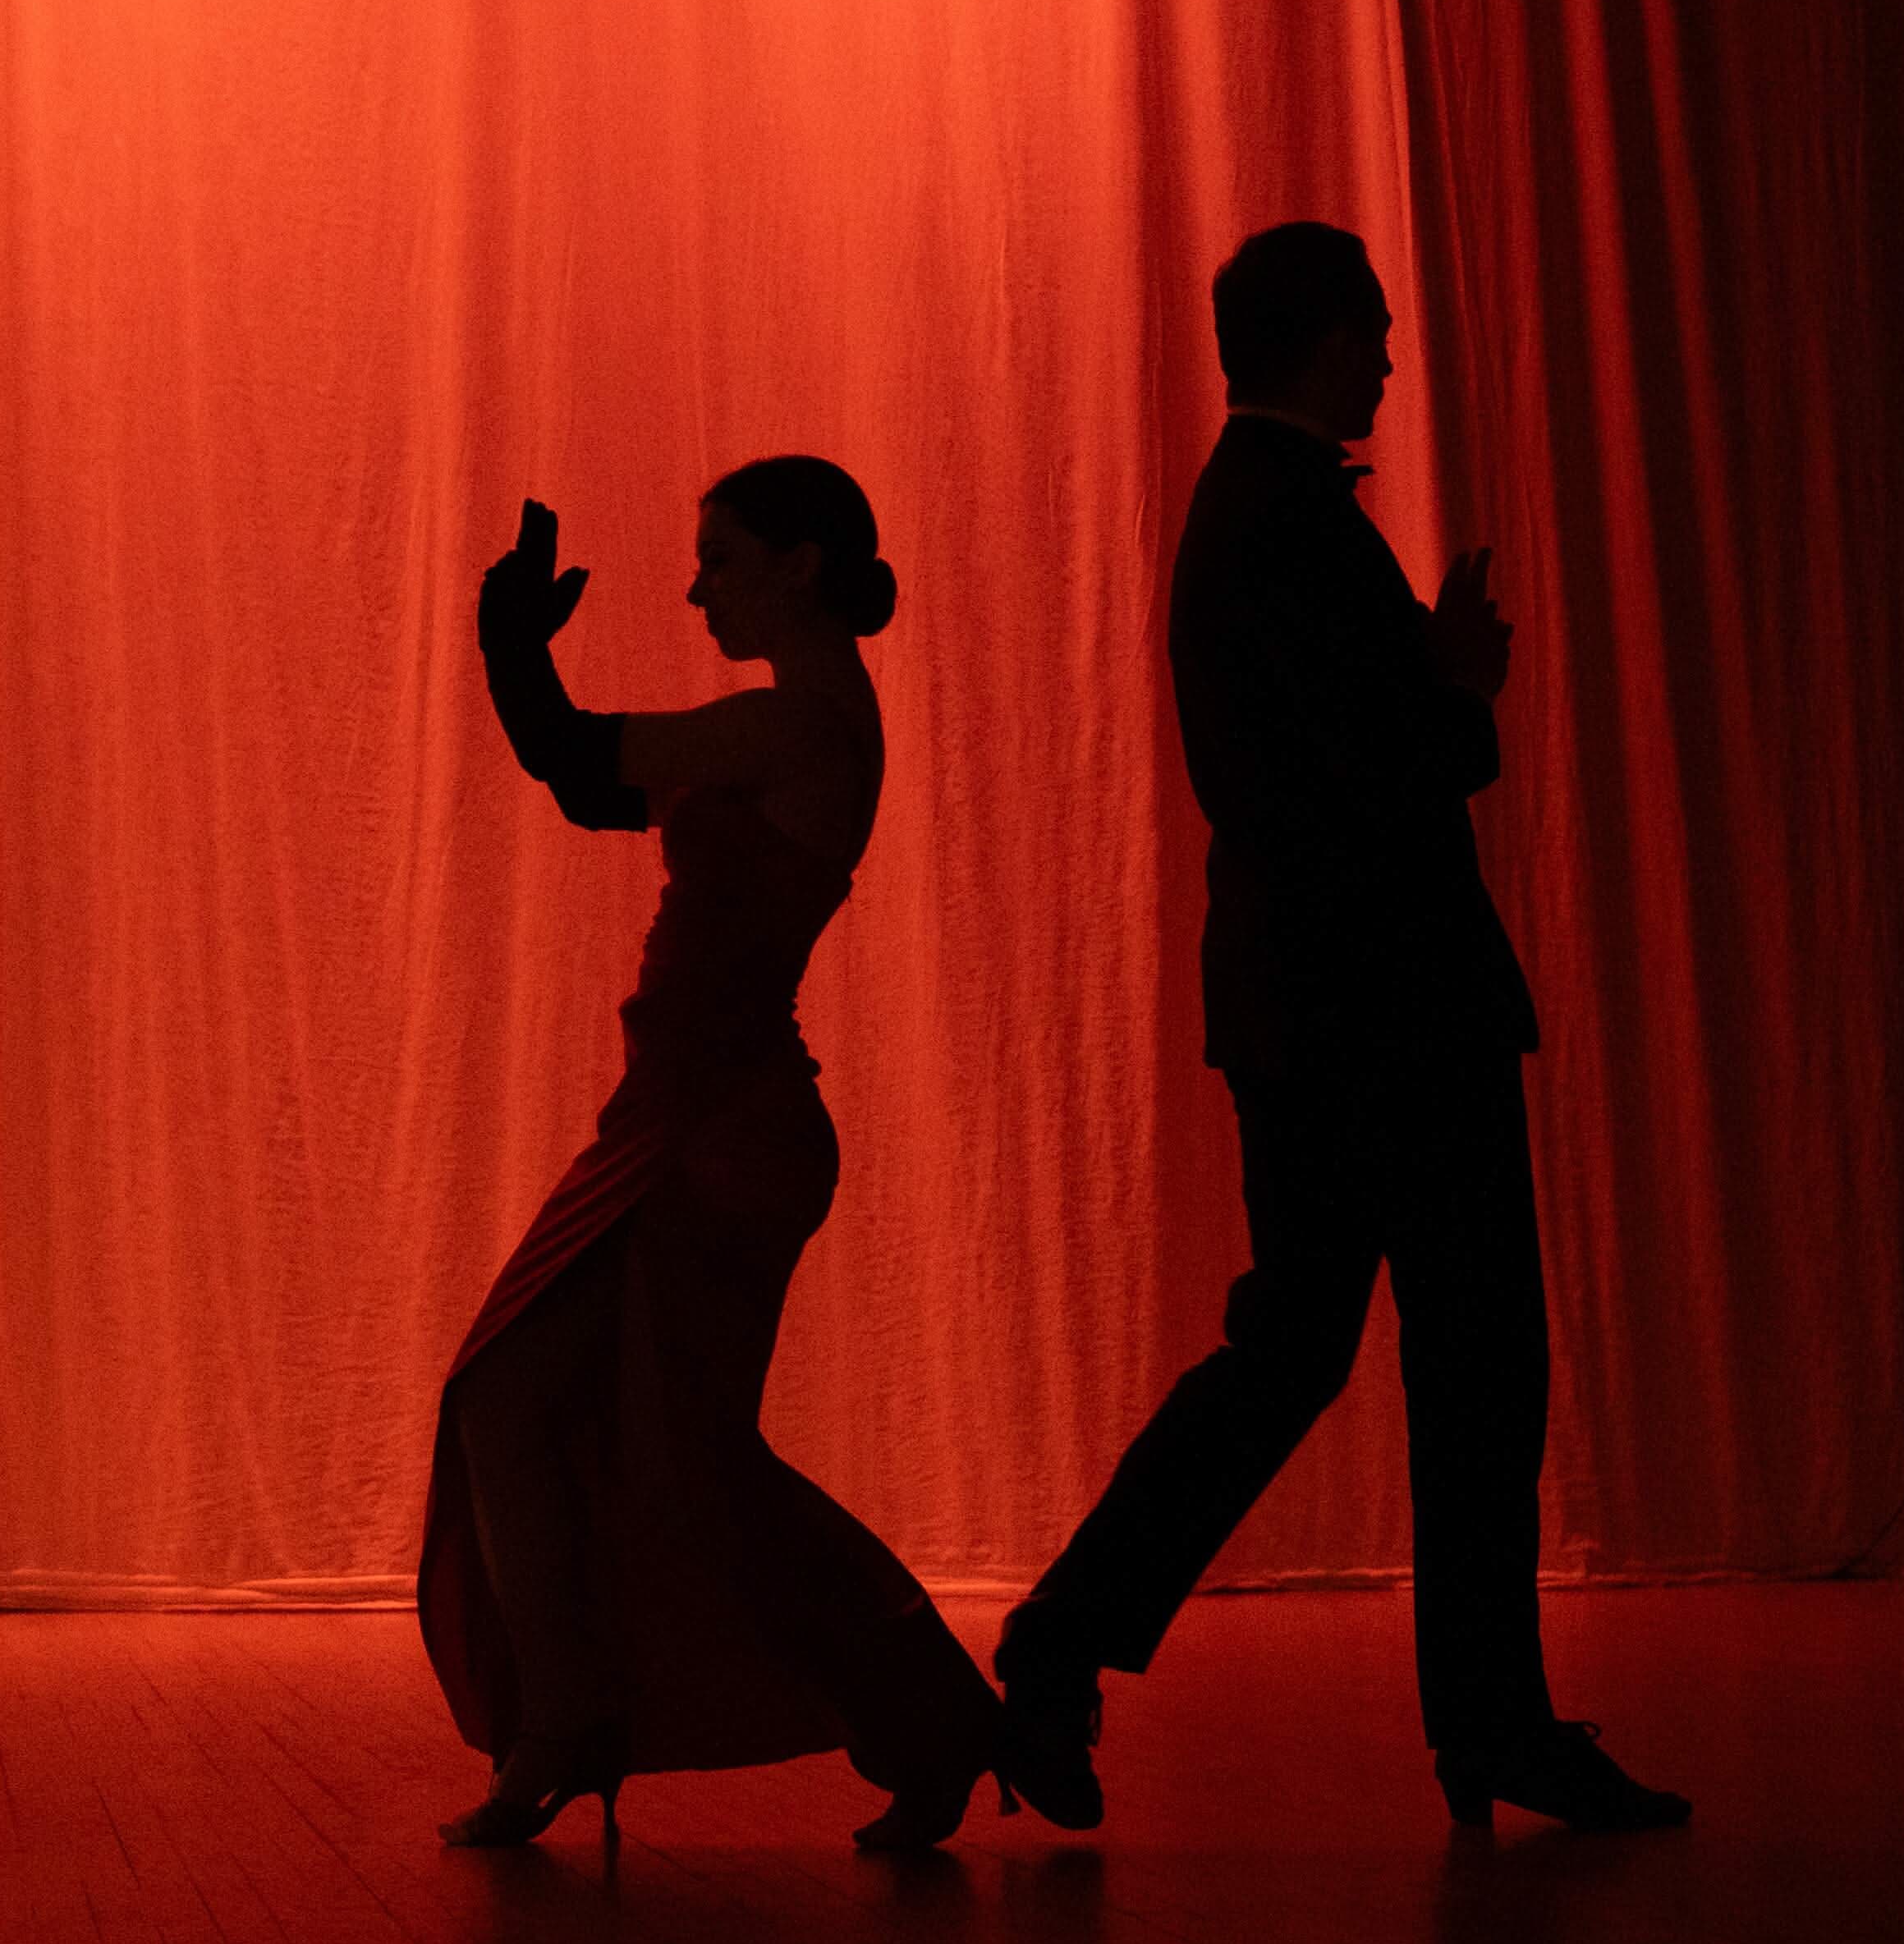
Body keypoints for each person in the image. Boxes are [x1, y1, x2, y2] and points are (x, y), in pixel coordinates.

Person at [993, 223, 1687, 1834]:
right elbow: (1372, 768)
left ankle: (1068, 1638)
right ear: (1316, 337)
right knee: (1470, 1361)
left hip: (1310, 1007)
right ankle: (1485, 1722)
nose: (1384, 354)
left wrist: (1431, 690)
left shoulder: (1251, 511)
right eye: (1369, 328)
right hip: (1391, 1007)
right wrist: (1453, 686)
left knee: (1297, 1345)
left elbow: (1302, 767)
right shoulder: (1289, 520)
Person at [423, 465, 1015, 1858]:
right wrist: (520, 657)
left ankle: (930, 1712)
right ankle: (571, 1725)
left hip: (719, 1132)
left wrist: (513, 650)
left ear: (800, 565)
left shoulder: (799, 719)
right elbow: (590, 792)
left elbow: (576, 757)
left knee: (677, 1459)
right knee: (526, 1405)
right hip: (686, 1121)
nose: (698, 588)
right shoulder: (780, 723)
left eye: (721, 558)